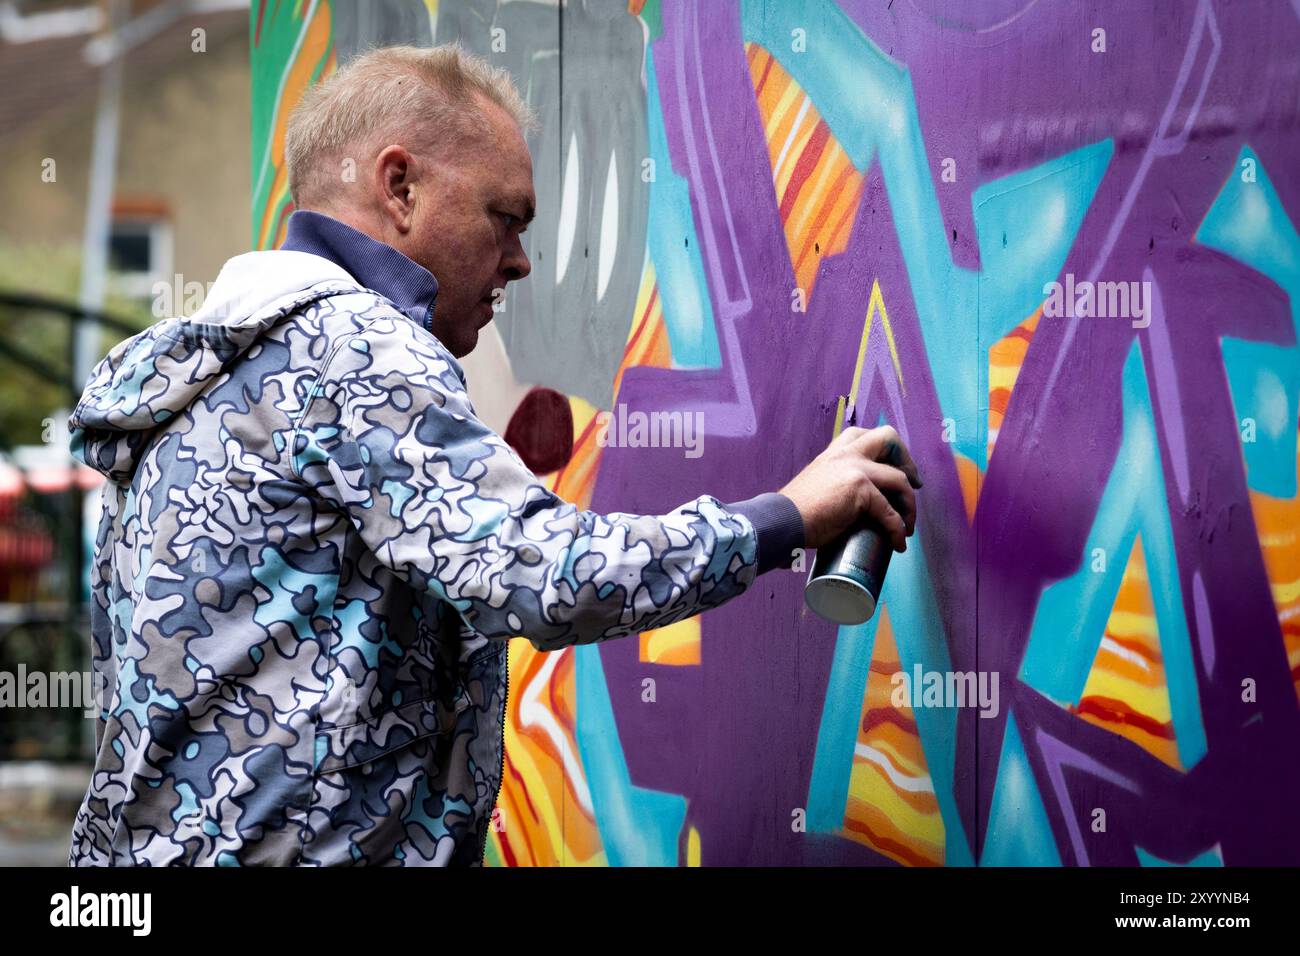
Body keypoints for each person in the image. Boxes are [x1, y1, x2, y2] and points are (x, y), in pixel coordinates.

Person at [66, 43, 921, 866]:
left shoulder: (192, 372)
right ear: (398, 186)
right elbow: (546, 578)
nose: (519, 260)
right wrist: (790, 517)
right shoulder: (355, 346)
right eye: (503, 217)